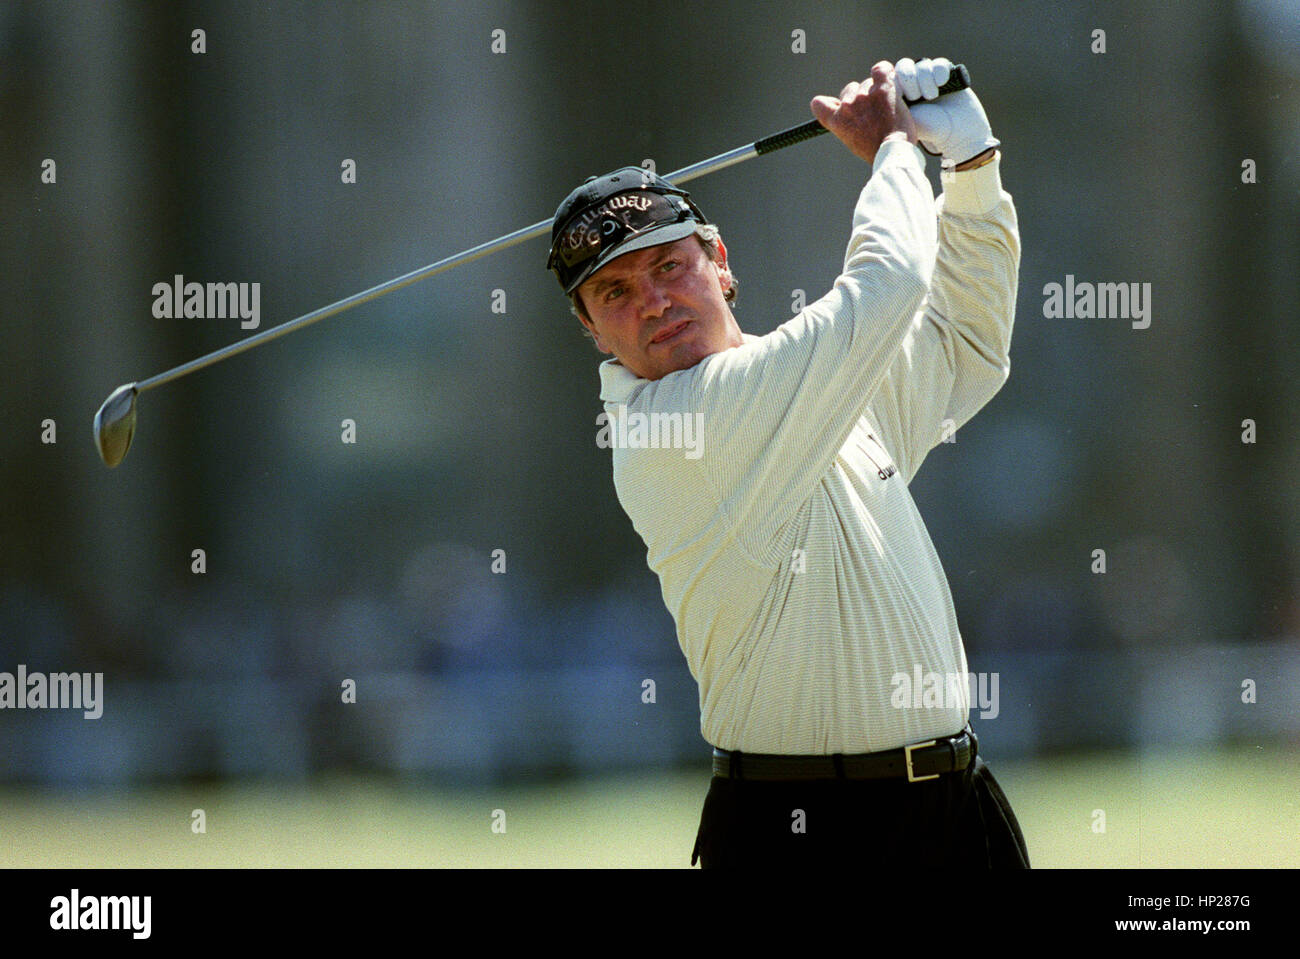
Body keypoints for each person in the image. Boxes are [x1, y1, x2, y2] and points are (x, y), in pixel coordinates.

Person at [546, 57, 1029, 868]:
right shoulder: (680, 426)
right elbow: (891, 281)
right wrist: (893, 153)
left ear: (720, 261)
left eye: (668, 265)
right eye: (616, 293)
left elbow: (965, 344)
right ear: (593, 332)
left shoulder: (807, 389)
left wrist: (974, 169)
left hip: (953, 810)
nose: (654, 301)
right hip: (803, 828)